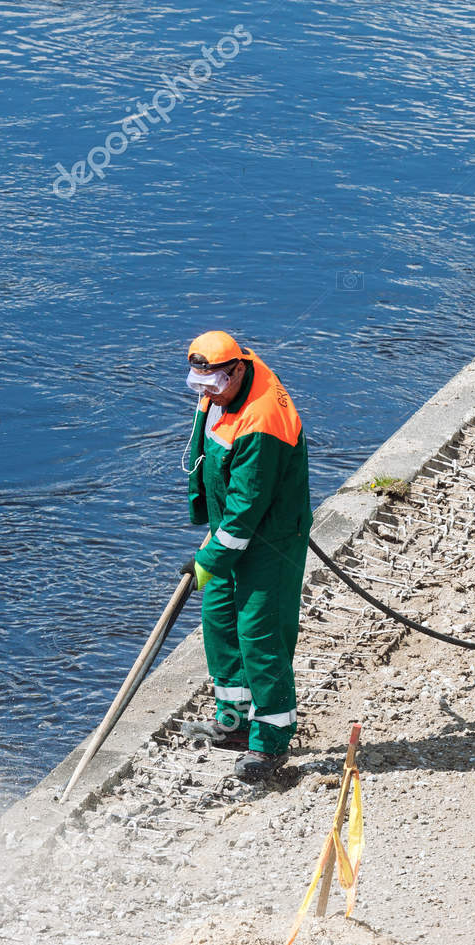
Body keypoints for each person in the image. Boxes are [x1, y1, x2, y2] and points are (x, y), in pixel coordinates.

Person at [179, 330, 311, 780]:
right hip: (231, 531)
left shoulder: (262, 420)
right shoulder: (224, 381)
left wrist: (210, 559)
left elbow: (247, 506)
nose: (205, 392)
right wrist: (212, 541)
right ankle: (233, 723)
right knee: (218, 619)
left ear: (237, 370)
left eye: (212, 383)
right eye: (198, 383)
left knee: (260, 633)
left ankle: (271, 743)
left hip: (270, 540)